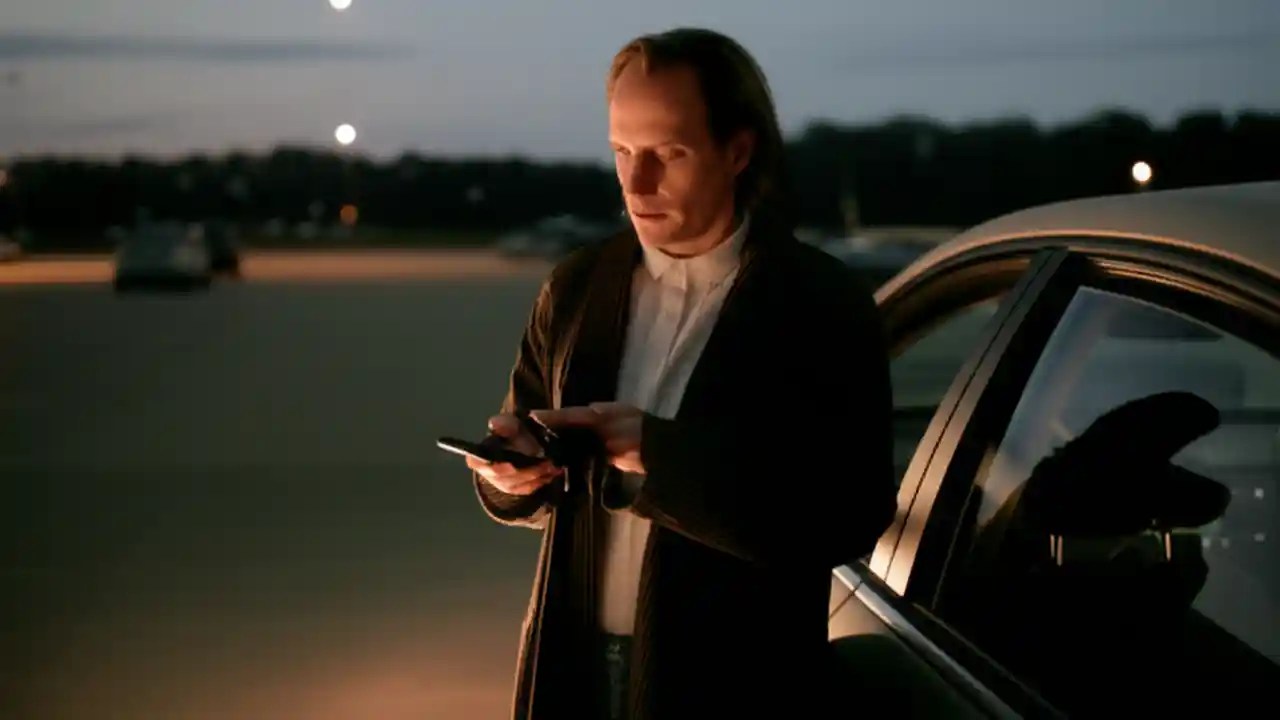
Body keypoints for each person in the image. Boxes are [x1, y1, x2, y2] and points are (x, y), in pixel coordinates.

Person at [464, 27, 897, 720]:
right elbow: (524, 489)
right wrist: (512, 479)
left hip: (737, 683)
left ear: (738, 151)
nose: (637, 183)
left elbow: (844, 516)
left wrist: (655, 451)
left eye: (669, 153)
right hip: (573, 665)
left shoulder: (816, 302)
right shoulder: (577, 286)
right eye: (622, 152)